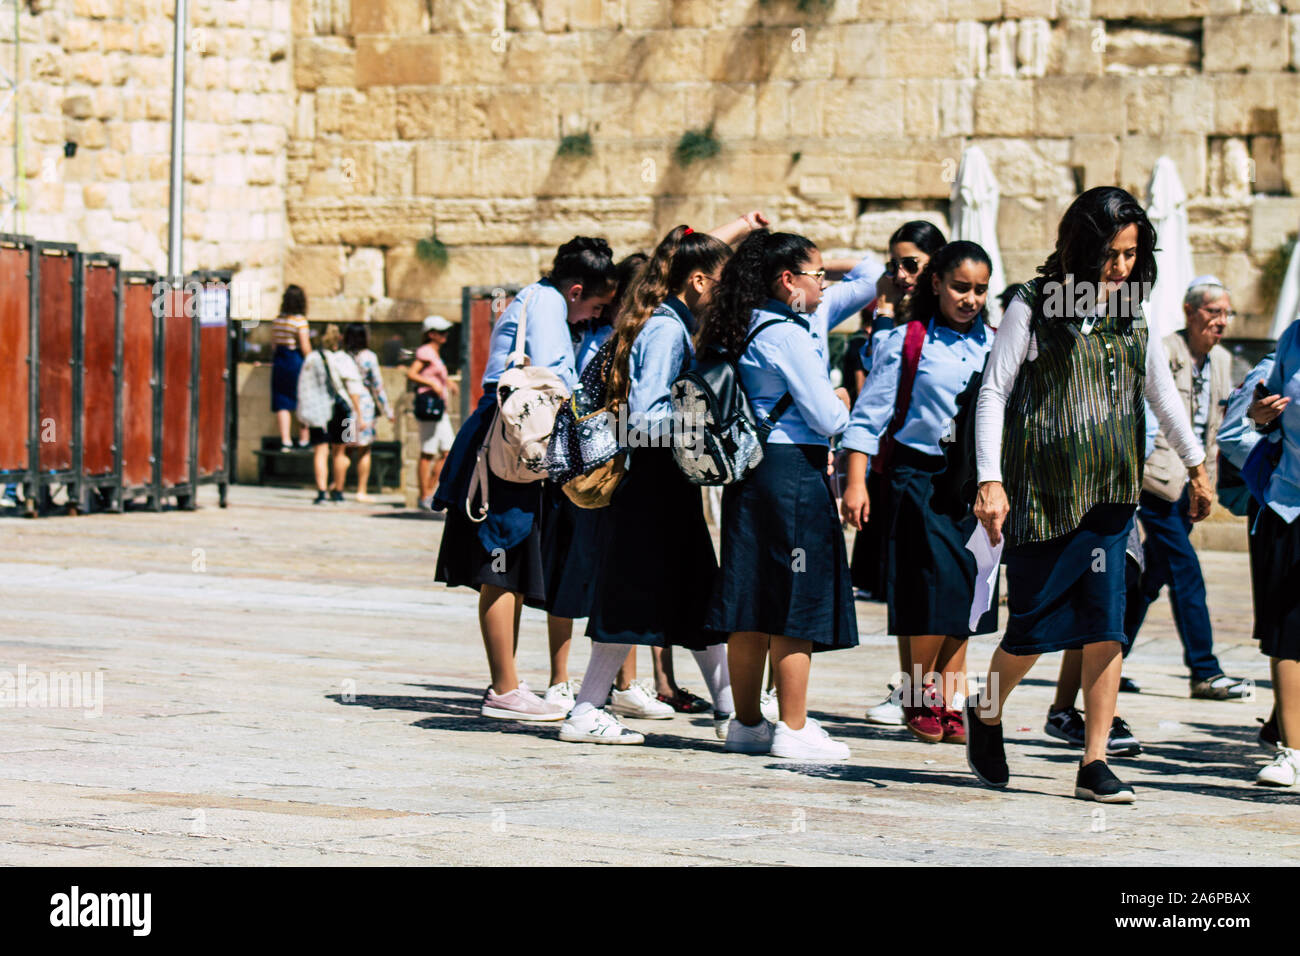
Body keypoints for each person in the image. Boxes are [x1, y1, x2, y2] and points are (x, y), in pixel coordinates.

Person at [968, 186, 1210, 804]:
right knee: (1029, 630)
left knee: (1106, 628)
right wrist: (989, 478)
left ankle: (1094, 762)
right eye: (1110, 253)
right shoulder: (1033, 304)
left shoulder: (1132, 309)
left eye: (1131, 254)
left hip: (1111, 494)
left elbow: (1158, 391)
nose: (1121, 267)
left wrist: (1196, 463)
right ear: (1081, 246)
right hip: (1044, 496)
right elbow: (995, 393)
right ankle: (986, 710)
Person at [559, 226, 738, 745]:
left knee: (699, 593)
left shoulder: (670, 322)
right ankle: (586, 709)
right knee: (630, 596)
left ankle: (731, 711)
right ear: (700, 281)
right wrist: (703, 427)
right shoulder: (666, 330)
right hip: (652, 482)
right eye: (722, 282)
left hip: (666, 482)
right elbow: (645, 419)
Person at [432, 237, 617, 722]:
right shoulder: (551, 305)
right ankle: (504, 687)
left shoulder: (535, 296)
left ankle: (507, 683)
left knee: (505, 566)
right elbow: (559, 380)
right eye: (594, 306)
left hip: (501, 441)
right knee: (502, 563)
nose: (589, 318)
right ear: (576, 290)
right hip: (511, 448)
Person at [699, 229, 858, 761]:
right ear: (788, 280)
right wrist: (842, 397)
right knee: (795, 596)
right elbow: (826, 415)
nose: (822, 284)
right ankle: (793, 726)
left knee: (750, 598)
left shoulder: (740, 325)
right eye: (816, 274)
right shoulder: (788, 334)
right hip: (792, 471)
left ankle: (746, 723)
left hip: (751, 470)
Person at [841, 240, 997, 745]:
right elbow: (868, 418)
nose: (970, 299)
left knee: (968, 594)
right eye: (960, 287)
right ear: (937, 284)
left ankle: (941, 699)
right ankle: (919, 694)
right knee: (930, 589)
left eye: (979, 290)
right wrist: (857, 481)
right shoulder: (907, 340)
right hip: (918, 478)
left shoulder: (995, 345)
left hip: (973, 482)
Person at [1124, 276, 1249, 699]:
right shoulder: (1164, 351)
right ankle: (1205, 670)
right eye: (1213, 312)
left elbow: (1218, 429)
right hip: (1157, 483)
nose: (1221, 322)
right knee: (1187, 573)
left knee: (1148, 579)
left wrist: (1206, 483)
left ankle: (1110, 658)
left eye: (1226, 314)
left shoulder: (1223, 364)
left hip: (1191, 486)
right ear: (1189, 311)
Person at [858, 222, 947, 727]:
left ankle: (932, 688)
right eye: (895, 262)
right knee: (907, 585)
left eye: (911, 263)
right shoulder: (896, 319)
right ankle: (913, 689)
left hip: (945, 469)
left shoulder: (955, 321)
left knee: (940, 585)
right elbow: (876, 383)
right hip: (898, 465)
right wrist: (884, 310)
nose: (899, 272)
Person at [1245, 319, 1300, 786]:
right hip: (1289, 505)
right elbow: (1265, 416)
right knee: (1287, 632)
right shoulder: (1292, 337)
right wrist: (1263, 413)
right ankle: (1293, 754)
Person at [296, 324, 366, 504]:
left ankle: (321, 491)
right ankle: (339, 491)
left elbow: (304, 387)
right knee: (340, 451)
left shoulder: (312, 358)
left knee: (320, 450)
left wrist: (303, 414)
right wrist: (360, 415)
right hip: (344, 411)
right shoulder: (345, 359)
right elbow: (354, 389)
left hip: (318, 412)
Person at [407, 316, 458, 510]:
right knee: (428, 451)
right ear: (431, 334)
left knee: (448, 450)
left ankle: (430, 490)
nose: (445, 335)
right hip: (429, 408)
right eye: (441, 331)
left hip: (440, 409)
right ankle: (424, 495)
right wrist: (432, 384)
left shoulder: (435, 353)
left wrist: (447, 383)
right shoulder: (426, 351)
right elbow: (412, 373)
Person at [344, 322, 394, 503]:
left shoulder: (343, 357)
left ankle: (338, 485)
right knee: (364, 450)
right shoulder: (369, 357)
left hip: (347, 405)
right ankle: (361, 489)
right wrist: (388, 411)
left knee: (346, 448)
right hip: (364, 405)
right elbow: (377, 385)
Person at [270, 285, 312, 450]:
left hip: (280, 361)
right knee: (302, 398)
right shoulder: (300, 321)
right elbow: (305, 347)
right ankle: (304, 439)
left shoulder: (277, 320)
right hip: (295, 361)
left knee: (282, 401)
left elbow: (273, 345)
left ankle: (285, 440)